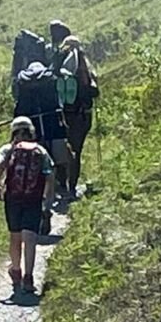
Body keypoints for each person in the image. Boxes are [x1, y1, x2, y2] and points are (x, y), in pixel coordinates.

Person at [0, 116, 55, 298]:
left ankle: (16, 271)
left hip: (13, 198)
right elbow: (50, 176)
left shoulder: (8, 149)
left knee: (15, 236)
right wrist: (47, 202)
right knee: (30, 238)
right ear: (31, 132)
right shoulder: (40, 150)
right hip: (33, 199)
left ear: (13, 132)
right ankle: (28, 277)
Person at [49, 22, 99, 197]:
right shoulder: (85, 66)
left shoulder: (59, 62)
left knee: (62, 148)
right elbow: (95, 91)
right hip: (83, 115)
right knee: (76, 150)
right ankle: (72, 186)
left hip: (62, 114)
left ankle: (62, 183)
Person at [14, 59, 73, 197]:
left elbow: (19, 107)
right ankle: (62, 184)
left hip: (33, 124)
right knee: (60, 157)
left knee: (37, 156)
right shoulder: (49, 78)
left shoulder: (23, 81)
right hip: (52, 122)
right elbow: (58, 101)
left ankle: (38, 186)